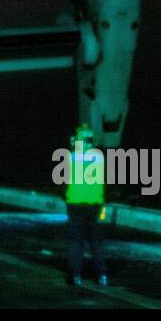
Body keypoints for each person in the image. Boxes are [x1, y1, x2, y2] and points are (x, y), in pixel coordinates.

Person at [64, 123, 108, 287]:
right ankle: (102, 276)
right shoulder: (99, 157)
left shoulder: (71, 156)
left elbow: (62, 181)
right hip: (95, 204)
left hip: (75, 204)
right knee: (97, 242)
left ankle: (76, 276)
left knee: (76, 242)